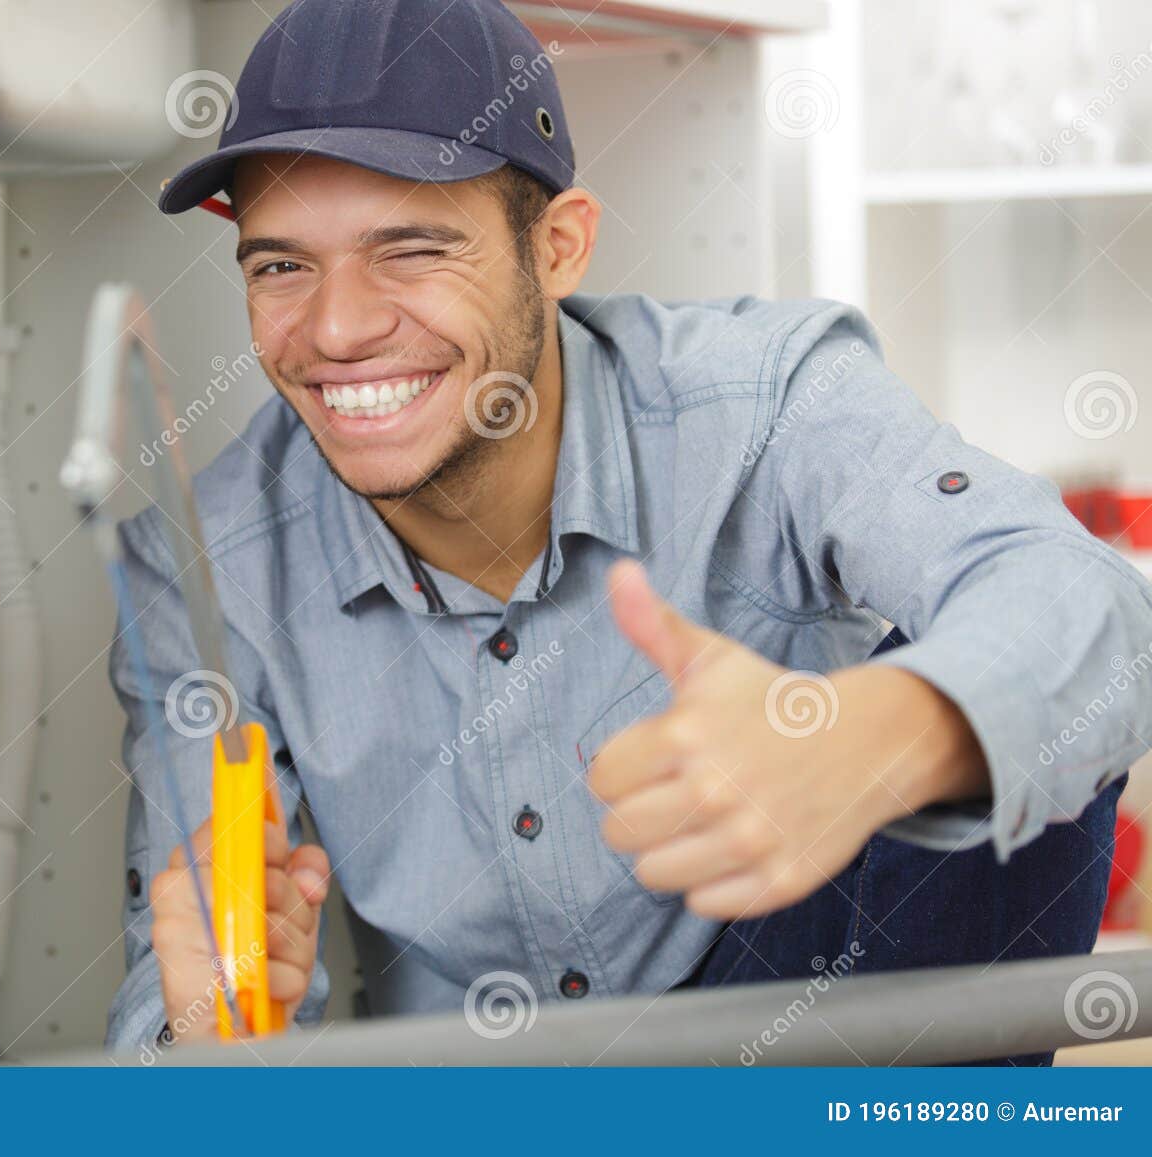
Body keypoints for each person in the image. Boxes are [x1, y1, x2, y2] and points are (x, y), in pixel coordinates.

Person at [105, 0, 1147, 1062]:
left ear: (557, 247)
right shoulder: (203, 567)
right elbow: (179, 985)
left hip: (807, 1056)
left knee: (1003, 699)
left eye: (410, 250)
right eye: (281, 265)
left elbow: (1093, 607)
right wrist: (202, 1031)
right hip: (489, 1100)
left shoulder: (763, 400)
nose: (334, 328)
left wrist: (879, 737)